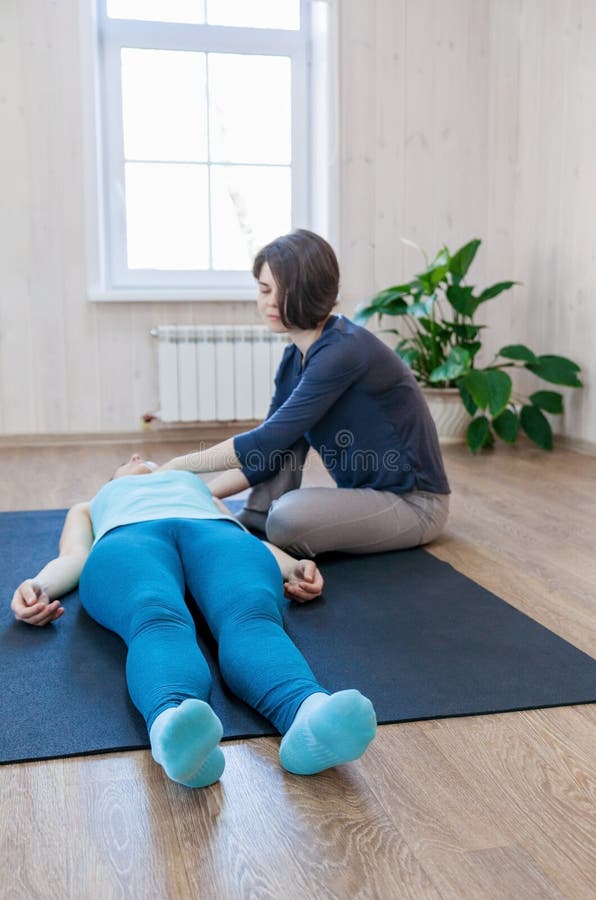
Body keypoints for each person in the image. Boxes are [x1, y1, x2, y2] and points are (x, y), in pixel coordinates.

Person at [10, 455, 377, 788]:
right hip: (128, 541)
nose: (140, 458)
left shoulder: (196, 487)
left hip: (216, 534)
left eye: (148, 460)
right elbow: (74, 556)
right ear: (113, 478)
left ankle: (309, 717)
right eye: (126, 460)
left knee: (250, 610)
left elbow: (247, 537)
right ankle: (173, 728)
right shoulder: (91, 506)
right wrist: (39, 585)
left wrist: (291, 567)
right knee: (155, 616)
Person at [160, 229, 451, 558]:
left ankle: (255, 530)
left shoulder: (344, 350)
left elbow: (263, 441)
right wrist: (201, 495)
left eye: (281, 292)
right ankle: (252, 519)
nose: (269, 302)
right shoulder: (294, 359)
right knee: (285, 441)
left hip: (415, 504)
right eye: (264, 289)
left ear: (309, 293)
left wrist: (175, 468)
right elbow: (269, 450)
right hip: (366, 494)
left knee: (286, 518)